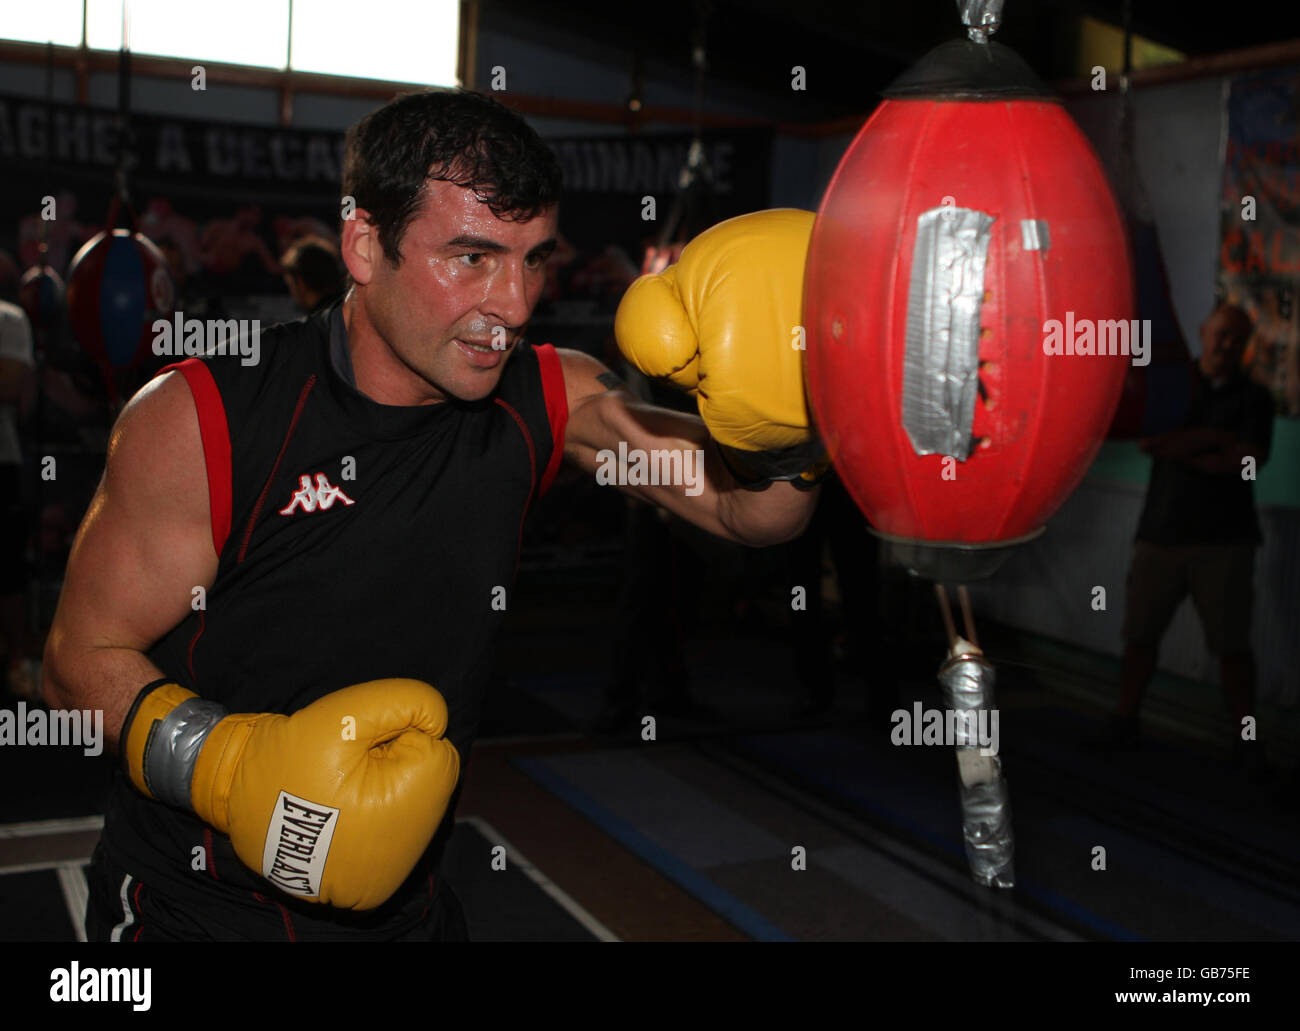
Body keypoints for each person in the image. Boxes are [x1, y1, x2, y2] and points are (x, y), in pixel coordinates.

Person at [43, 88, 824, 941]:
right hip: (192, 909)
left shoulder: (544, 396)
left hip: (407, 912)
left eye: (533, 260)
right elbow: (75, 666)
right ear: (364, 244)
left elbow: (754, 515)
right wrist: (225, 766)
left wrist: (791, 430)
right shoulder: (205, 419)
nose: (516, 304)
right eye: (473, 257)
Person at [1109, 301, 1275, 762]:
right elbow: (1149, 441)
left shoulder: (1256, 399)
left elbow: (1246, 464)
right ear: (1204, 330)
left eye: (1236, 339)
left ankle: (1246, 742)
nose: (1226, 345)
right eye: (1221, 334)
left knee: (1233, 650)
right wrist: (1216, 439)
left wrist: (1183, 445)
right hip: (1162, 533)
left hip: (1226, 541)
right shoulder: (1172, 387)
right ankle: (1124, 723)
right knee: (1140, 637)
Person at [0, 298, 36, 699]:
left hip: (1, 460)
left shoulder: (8, 318)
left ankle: (18, 662)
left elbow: (10, 384)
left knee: (7, 567)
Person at [280, 235, 345, 314]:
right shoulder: (348, 310)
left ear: (300, 281)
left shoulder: (313, 323)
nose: (292, 293)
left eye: (290, 284)